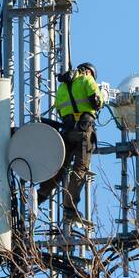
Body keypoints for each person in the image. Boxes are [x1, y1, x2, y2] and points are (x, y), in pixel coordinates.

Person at [38, 62, 103, 217]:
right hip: (84, 129)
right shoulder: (87, 79)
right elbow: (97, 101)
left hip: (67, 131)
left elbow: (60, 109)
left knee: (60, 167)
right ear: (89, 71)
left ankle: (40, 194)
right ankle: (70, 207)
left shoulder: (62, 87)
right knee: (80, 168)